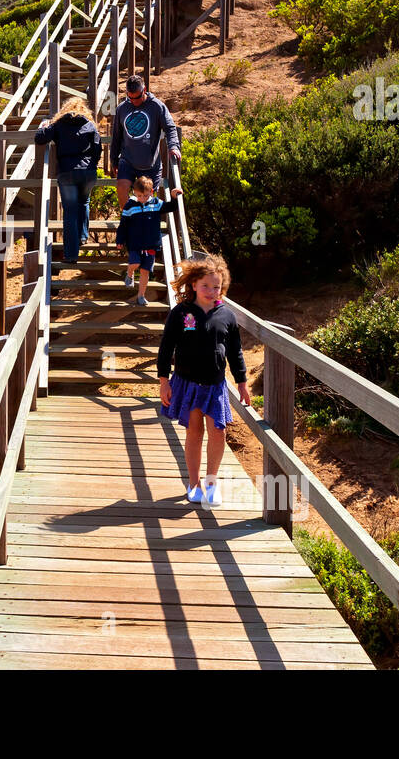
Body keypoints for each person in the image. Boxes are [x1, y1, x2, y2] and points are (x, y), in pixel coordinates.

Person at [156, 255, 254, 509]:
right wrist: (163, 381)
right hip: (187, 383)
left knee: (218, 432)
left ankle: (212, 484)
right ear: (194, 286)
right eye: (206, 286)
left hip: (215, 385)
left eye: (217, 287)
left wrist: (242, 383)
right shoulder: (182, 313)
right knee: (194, 432)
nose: (211, 292)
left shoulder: (227, 316)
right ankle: (194, 484)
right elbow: (166, 348)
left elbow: (236, 352)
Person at [35, 97, 101, 264]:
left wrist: (43, 126)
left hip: (67, 173)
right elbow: (97, 148)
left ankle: (71, 255)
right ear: (84, 110)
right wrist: (92, 166)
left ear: (65, 109)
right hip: (87, 172)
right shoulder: (90, 125)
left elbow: (40, 138)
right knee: (84, 202)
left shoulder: (58, 125)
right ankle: (83, 236)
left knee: (70, 212)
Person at [109, 75, 182, 209]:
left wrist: (174, 146)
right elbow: (116, 136)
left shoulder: (157, 106)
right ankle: (129, 219)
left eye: (137, 97)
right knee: (121, 188)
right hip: (127, 160)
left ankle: (144, 223)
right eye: (130, 97)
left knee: (147, 202)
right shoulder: (122, 108)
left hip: (150, 163)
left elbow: (170, 128)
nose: (134, 101)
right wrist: (113, 160)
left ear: (145, 90)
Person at [116, 175, 181, 306]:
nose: (142, 199)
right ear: (134, 193)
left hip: (151, 244)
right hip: (134, 244)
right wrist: (120, 239)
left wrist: (174, 196)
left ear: (151, 192)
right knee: (134, 263)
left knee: (145, 271)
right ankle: (130, 272)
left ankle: (141, 295)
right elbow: (123, 225)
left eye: (145, 196)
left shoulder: (156, 203)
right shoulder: (130, 205)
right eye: (139, 196)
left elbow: (171, 207)